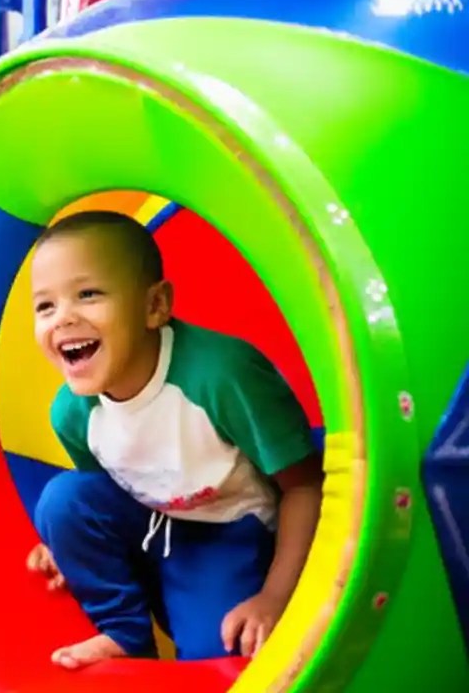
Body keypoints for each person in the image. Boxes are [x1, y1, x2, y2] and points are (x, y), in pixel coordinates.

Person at [25, 210, 323, 669]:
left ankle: (201, 616)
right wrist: (66, 544)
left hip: (231, 528)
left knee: (224, 657)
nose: (63, 318)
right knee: (61, 502)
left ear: (155, 306)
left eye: (87, 294)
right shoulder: (72, 413)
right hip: (157, 522)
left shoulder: (223, 378)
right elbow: (99, 495)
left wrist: (275, 596)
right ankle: (125, 633)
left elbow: (304, 486)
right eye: (45, 306)